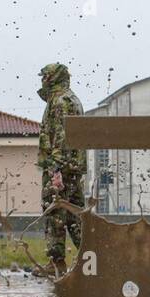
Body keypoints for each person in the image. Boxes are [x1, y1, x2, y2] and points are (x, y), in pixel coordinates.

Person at [37, 62, 84, 276]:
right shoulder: (72, 98)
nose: (41, 80)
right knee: (76, 216)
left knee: (54, 213)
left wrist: (55, 170)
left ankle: (57, 264)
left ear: (52, 78)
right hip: (73, 168)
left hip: (60, 167)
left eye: (44, 76)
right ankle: (93, 256)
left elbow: (60, 136)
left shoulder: (59, 101)